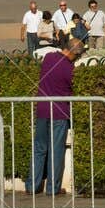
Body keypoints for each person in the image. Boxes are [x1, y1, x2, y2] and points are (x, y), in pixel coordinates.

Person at [26, 37, 81, 197]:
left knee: (39, 148)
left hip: (42, 110)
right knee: (56, 151)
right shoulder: (69, 69)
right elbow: (71, 88)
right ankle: (52, 188)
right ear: (73, 53)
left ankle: (32, 185)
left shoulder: (49, 58)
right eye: (77, 56)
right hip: (59, 112)